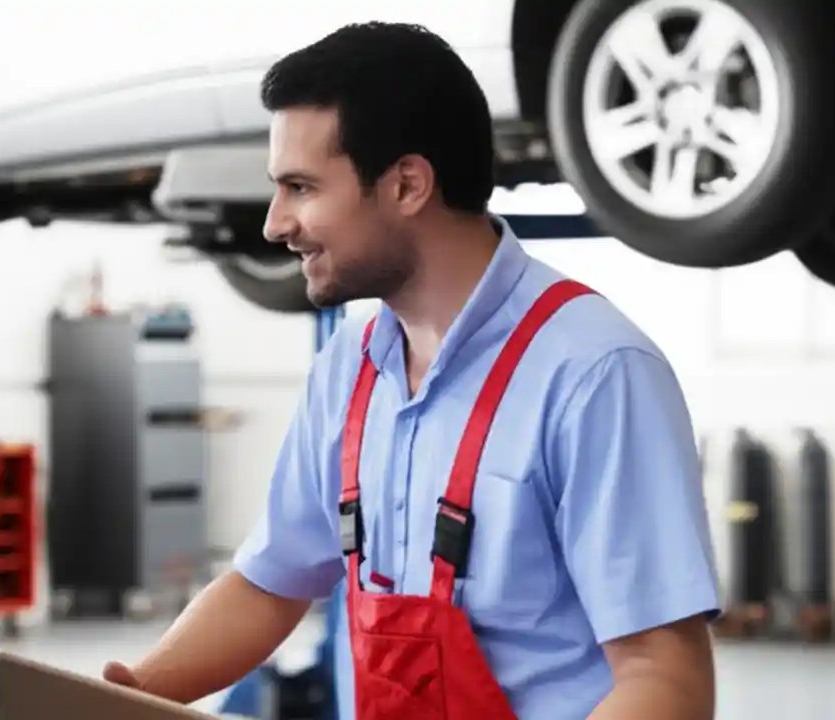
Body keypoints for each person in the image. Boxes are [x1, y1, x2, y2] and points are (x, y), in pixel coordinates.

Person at [103, 21, 719, 719]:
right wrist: (127, 696)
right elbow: (268, 585)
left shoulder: (595, 375)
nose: (275, 223)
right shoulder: (349, 369)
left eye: (301, 187)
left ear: (406, 185)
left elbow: (663, 679)